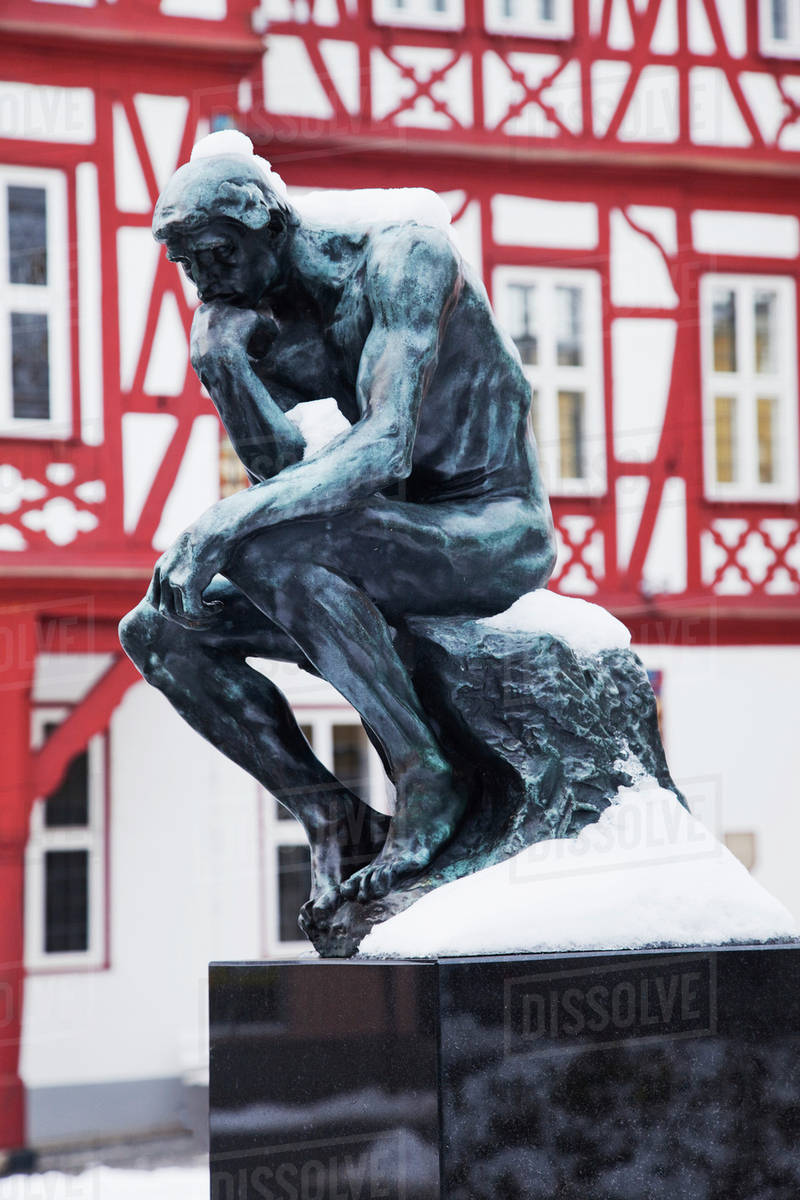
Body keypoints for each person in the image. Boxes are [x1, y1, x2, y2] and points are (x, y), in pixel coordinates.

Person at [119, 132, 556, 923]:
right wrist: (225, 370)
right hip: (403, 536)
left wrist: (225, 521)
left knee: (257, 540)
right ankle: (333, 816)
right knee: (159, 631)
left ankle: (428, 774)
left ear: (270, 223)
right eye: (189, 267)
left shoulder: (402, 259)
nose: (205, 279)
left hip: (494, 527)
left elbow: (384, 446)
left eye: (217, 255)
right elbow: (280, 477)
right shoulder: (262, 324)